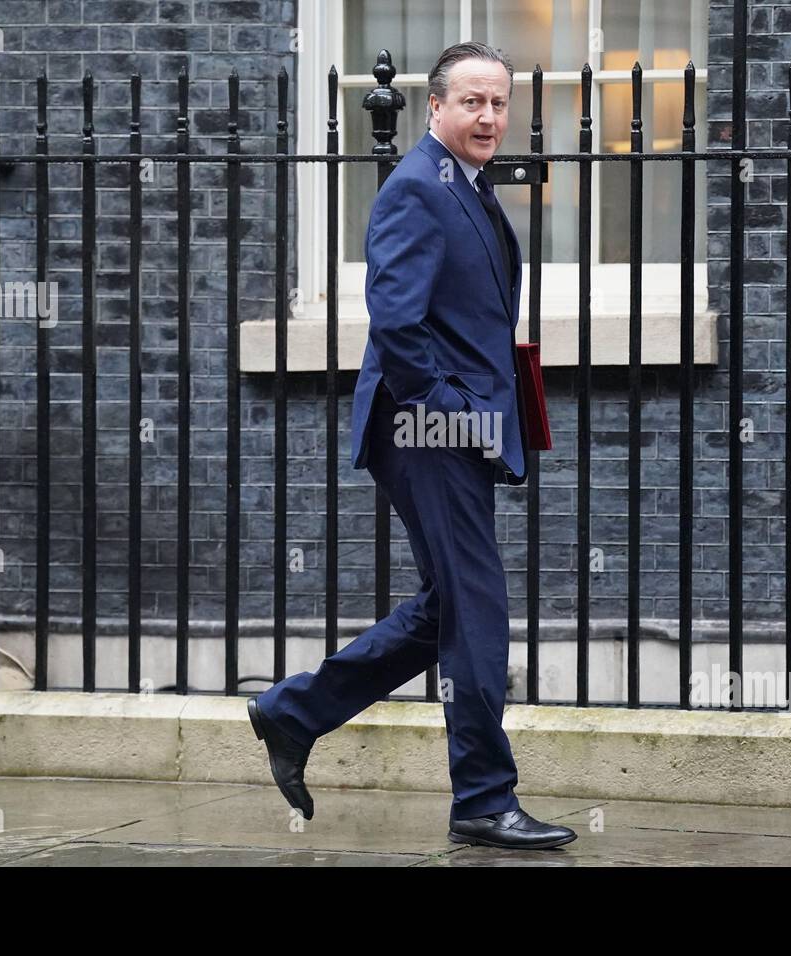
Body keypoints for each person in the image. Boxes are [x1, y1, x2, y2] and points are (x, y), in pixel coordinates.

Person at [248, 41, 576, 850]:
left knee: (448, 609)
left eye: (499, 103)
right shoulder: (416, 190)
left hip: (450, 426)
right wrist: (454, 411)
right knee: (478, 610)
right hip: (425, 428)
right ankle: (483, 798)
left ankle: (293, 711)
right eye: (472, 102)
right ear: (434, 107)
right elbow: (394, 324)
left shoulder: (465, 187)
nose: (490, 116)